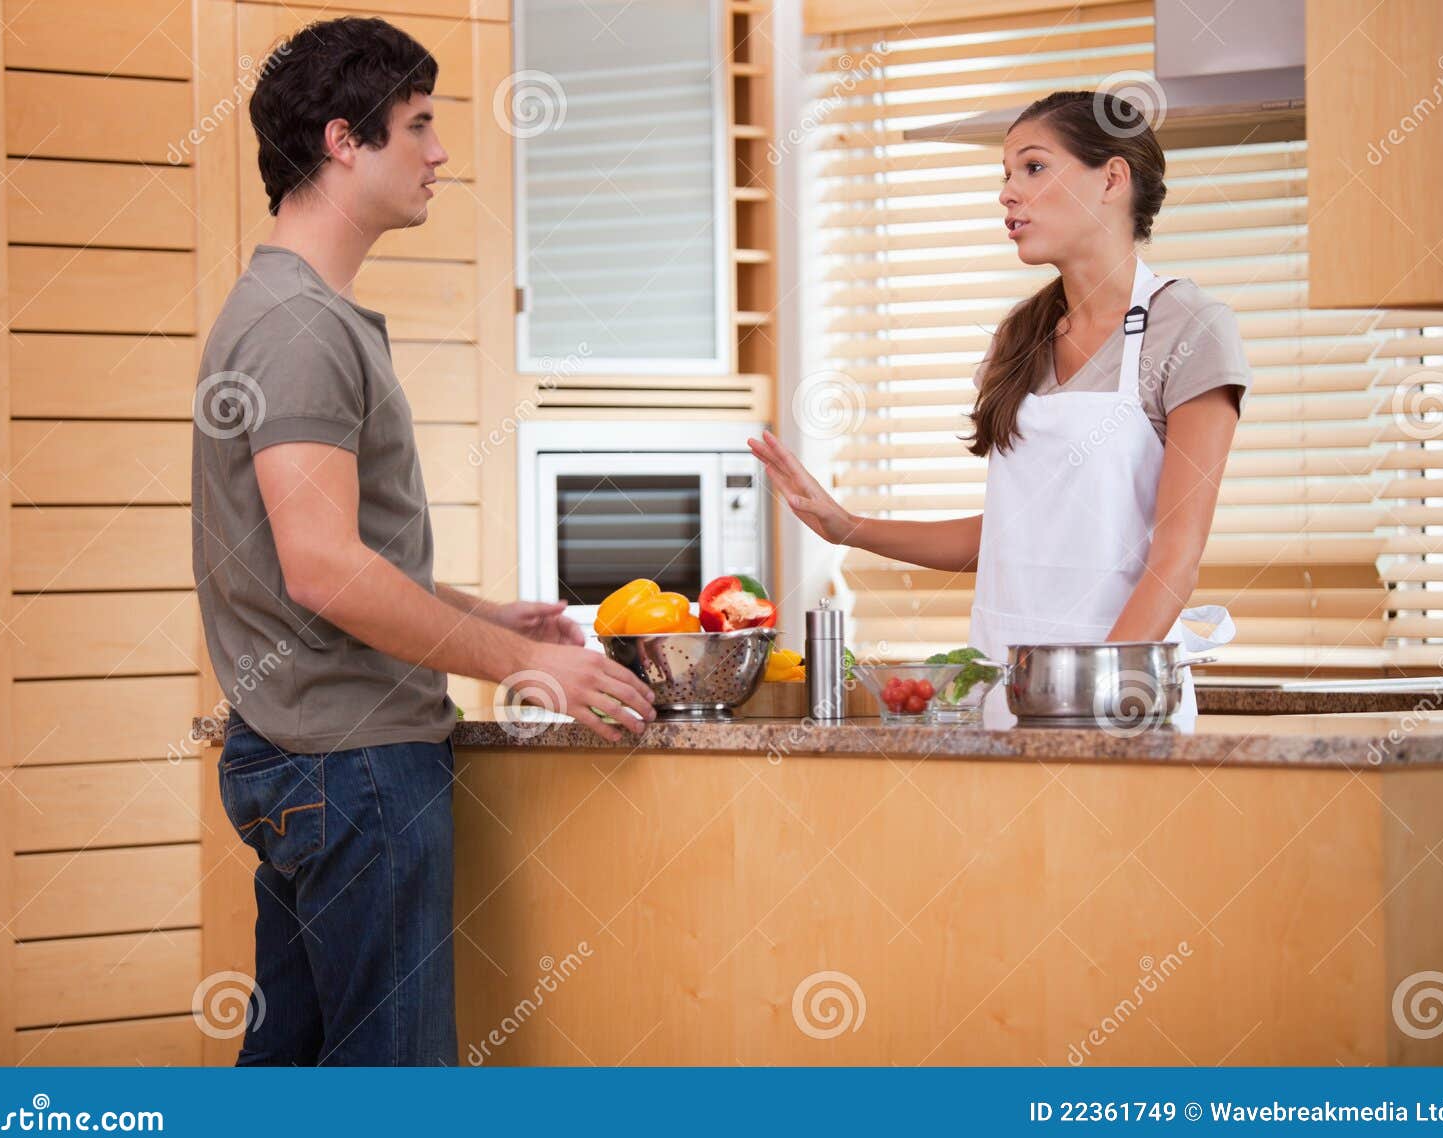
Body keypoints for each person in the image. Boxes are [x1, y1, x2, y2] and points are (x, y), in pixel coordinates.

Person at [191, 16, 655, 1066]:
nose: (440, 154)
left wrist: (484, 614)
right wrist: (530, 660)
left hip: (311, 751)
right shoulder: (299, 326)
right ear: (343, 139)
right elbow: (321, 568)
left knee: (294, 1068)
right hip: (353, 765)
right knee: (394, 1081)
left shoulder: (294, 312)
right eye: (419, 126)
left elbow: (312, 553)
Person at [752, 90, 1247, 729]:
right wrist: (847, 527)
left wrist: (1086, 696)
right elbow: (1016, 534)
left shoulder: (1191, 329)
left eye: (1033, 168)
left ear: (1112, 179)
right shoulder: (1023, 336)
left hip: (1118, 703)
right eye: (1006, 176)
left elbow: (1177, 553)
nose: (1008, 194)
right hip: (1007, 693)